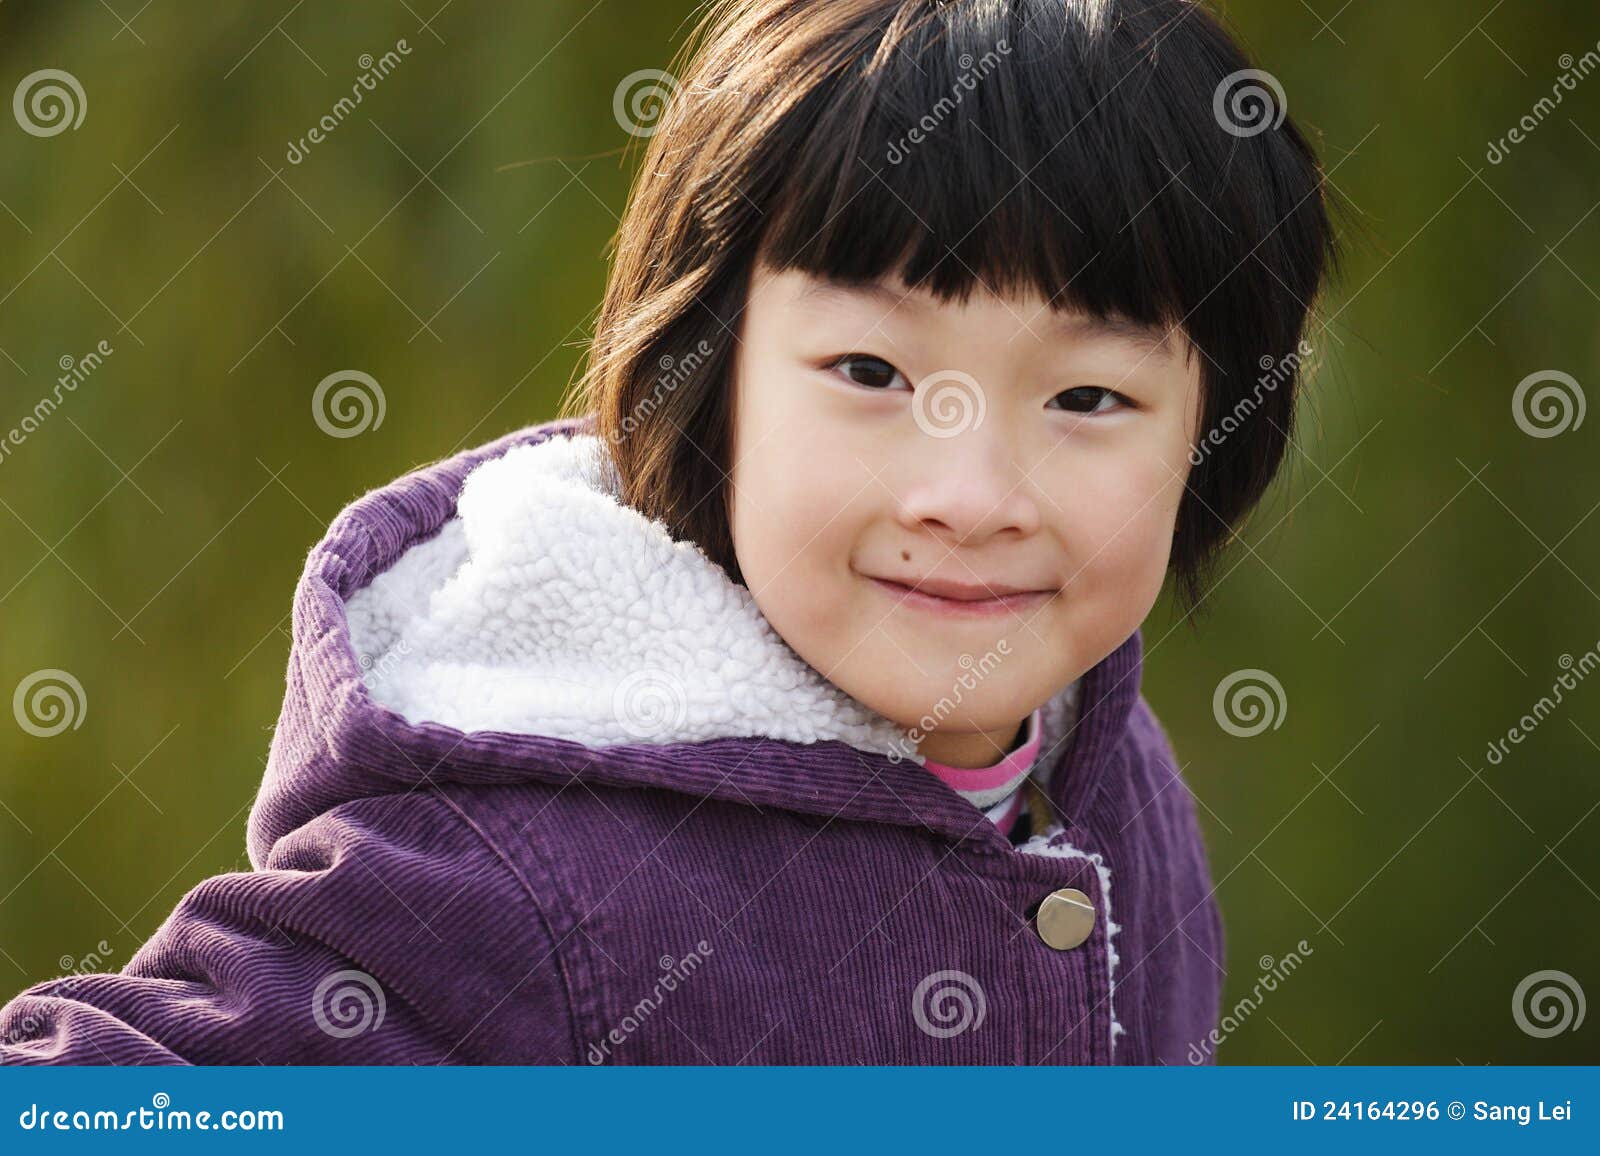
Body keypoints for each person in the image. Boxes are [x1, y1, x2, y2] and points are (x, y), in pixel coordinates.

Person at [1, 0, 1337, 1064]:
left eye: (1089, 396)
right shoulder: (529, 869)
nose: (970, 493)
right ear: (707, 377)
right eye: (871, 374)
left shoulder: (1099, 759)